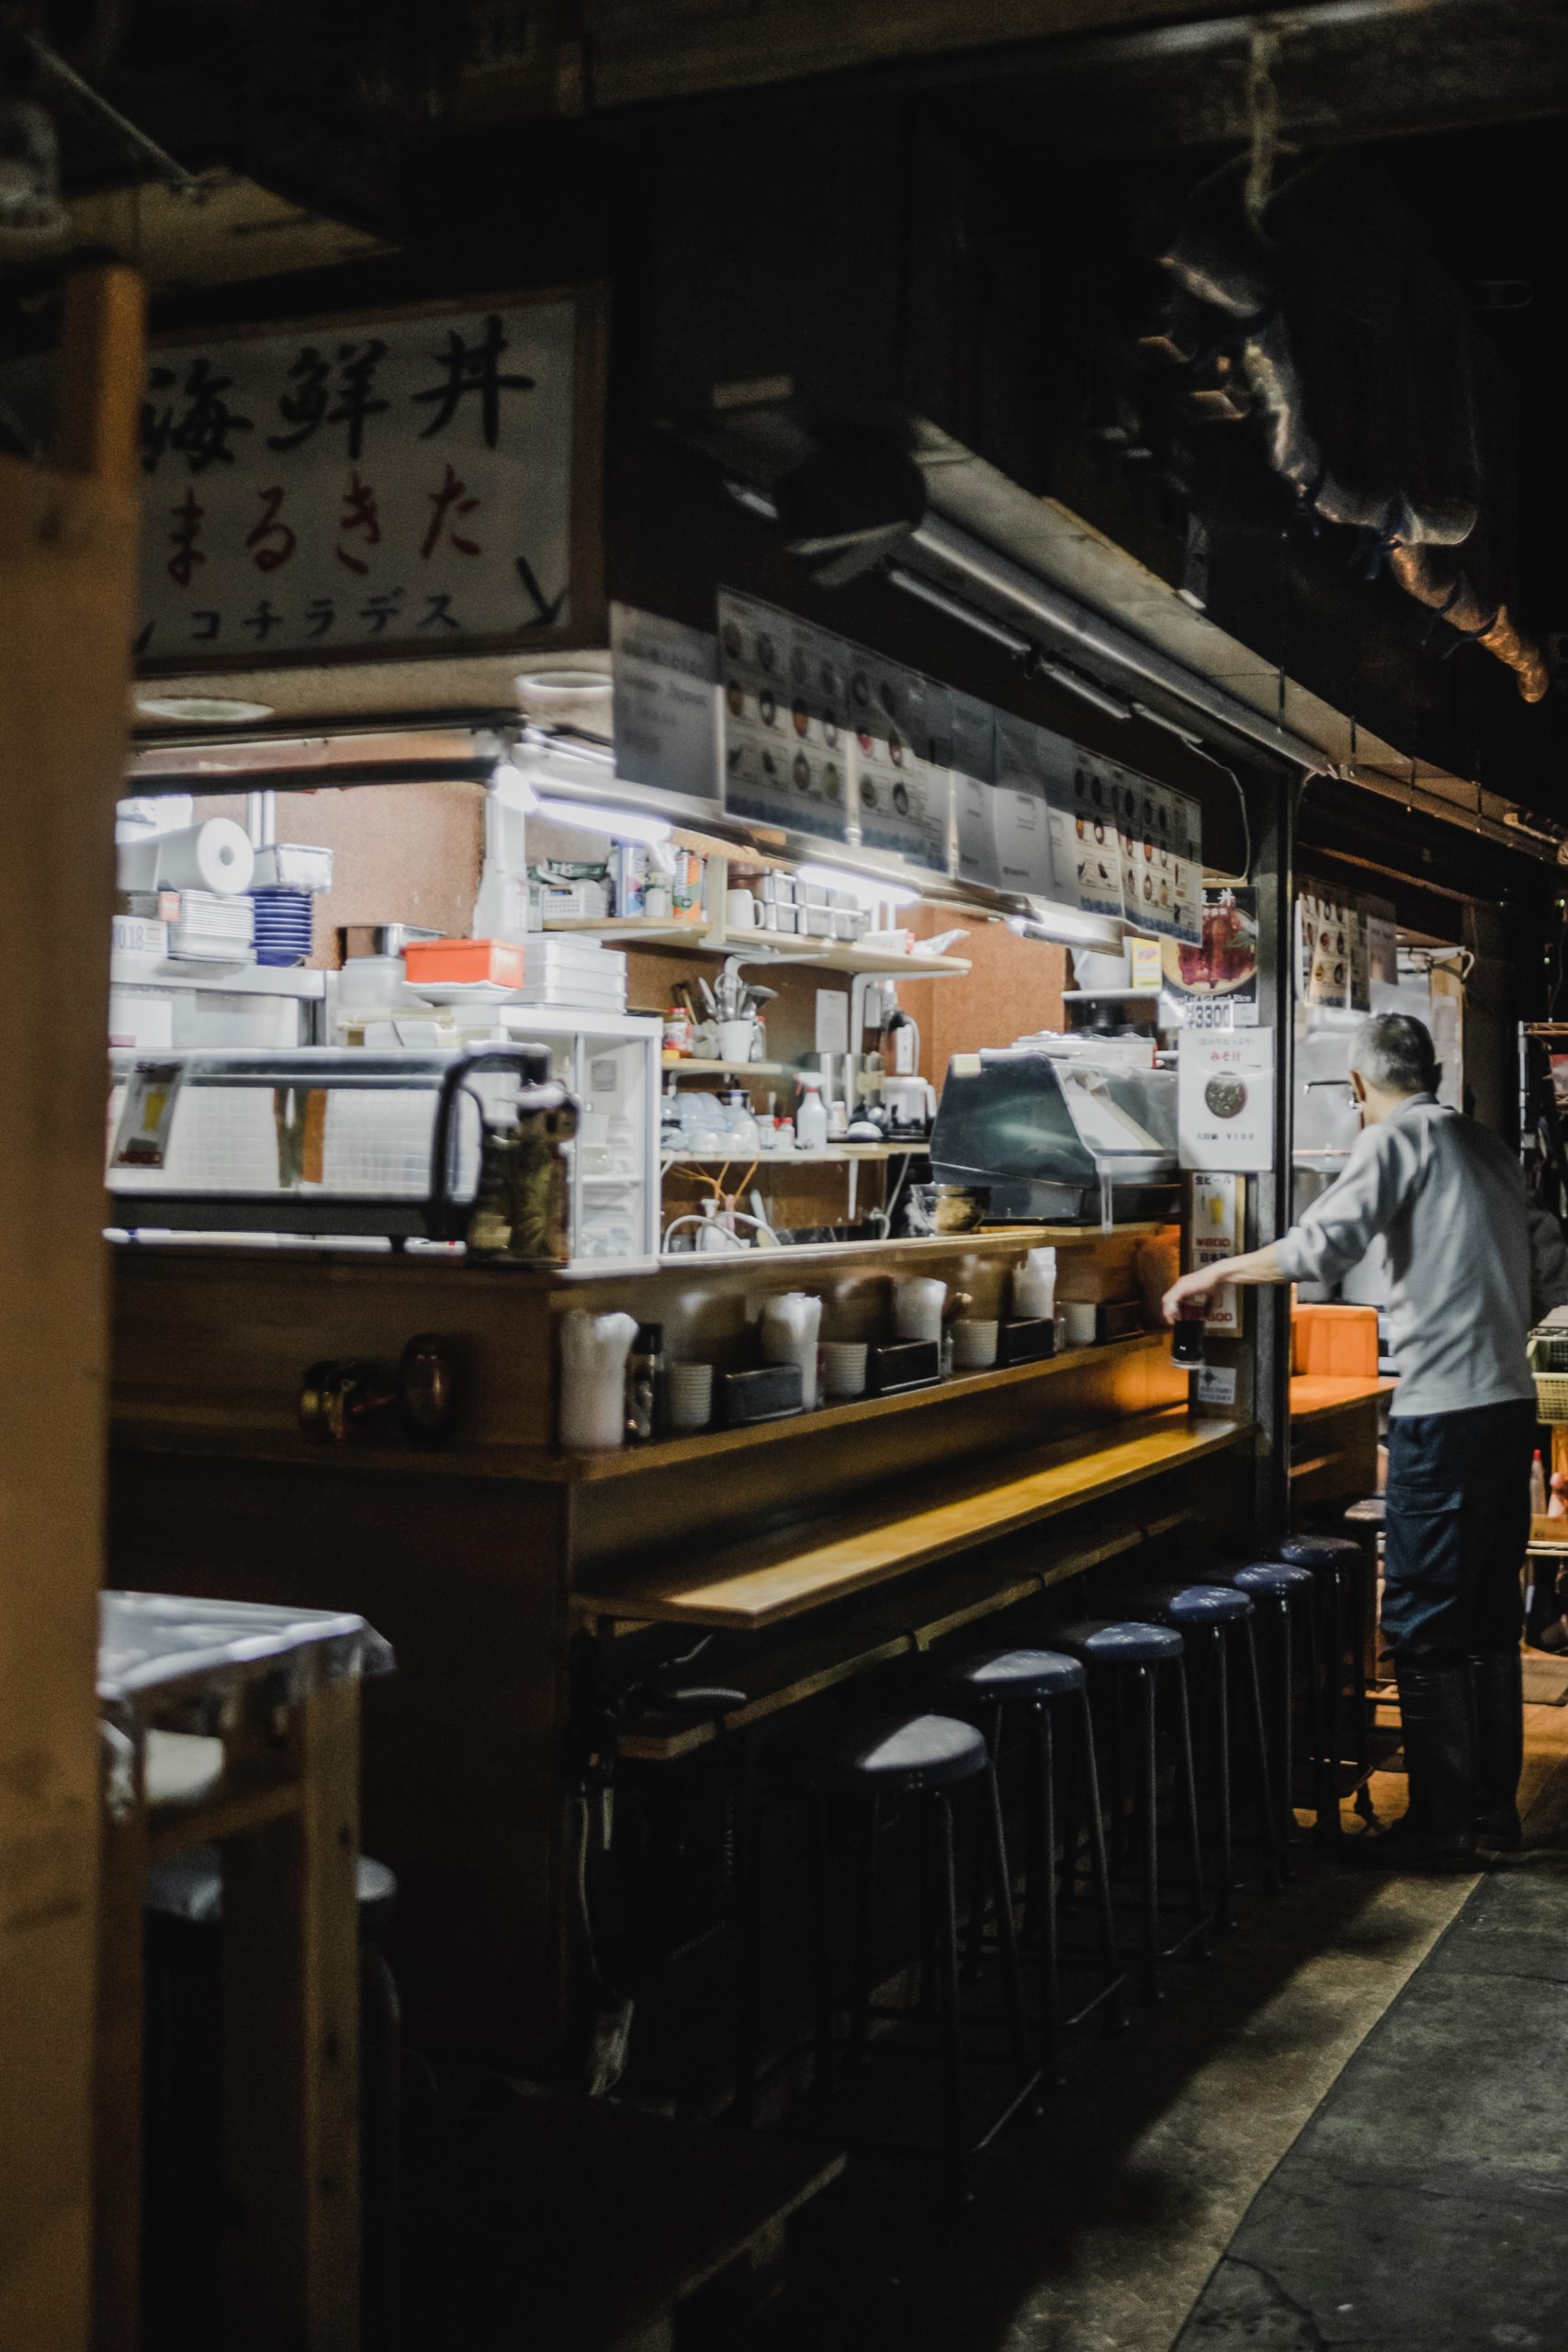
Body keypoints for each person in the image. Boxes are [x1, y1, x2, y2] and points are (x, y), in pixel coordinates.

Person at [1164, 1011, 1568, 1867]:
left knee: (1422, 1620)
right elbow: (1549, 1264)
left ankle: (1439, 1826)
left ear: (1357, 1087)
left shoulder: (1393, 1142)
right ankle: (1490, 1816)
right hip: (1505, 1407)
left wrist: (1215, 1270)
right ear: (1433, 1071)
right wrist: (1488, 1317)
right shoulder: (1487, 1146)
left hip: (1443, 1414)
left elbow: (1322, 1245)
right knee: (1488, 1619)